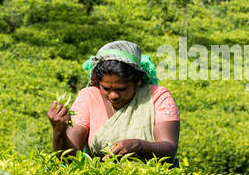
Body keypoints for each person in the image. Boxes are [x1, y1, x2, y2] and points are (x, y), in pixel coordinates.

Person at [47, 41, 180, 161]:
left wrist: (139, 146)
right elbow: (68, 158)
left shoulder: (157, 96)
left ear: (138, 81)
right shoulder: (88, 97)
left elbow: (169, 149)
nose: (113, 96)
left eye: (121, 89)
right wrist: (59, 131)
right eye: (106, 88)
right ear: (97, 81)